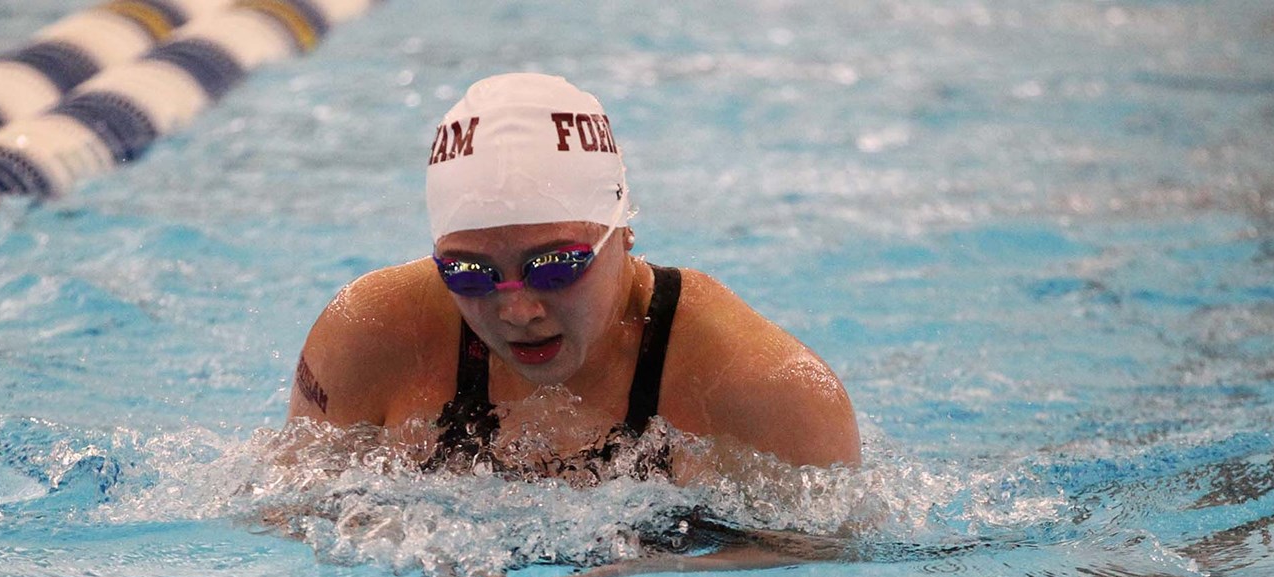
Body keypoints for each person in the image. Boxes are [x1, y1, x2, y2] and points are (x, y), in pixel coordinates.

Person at [286, 73, 859, 484]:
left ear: (623, 231)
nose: (518, 310)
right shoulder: (369, 336)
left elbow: (825, 564)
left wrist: (661, 564)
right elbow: (279, 505)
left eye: (556, 266)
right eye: (469, 274)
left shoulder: (767, 393)